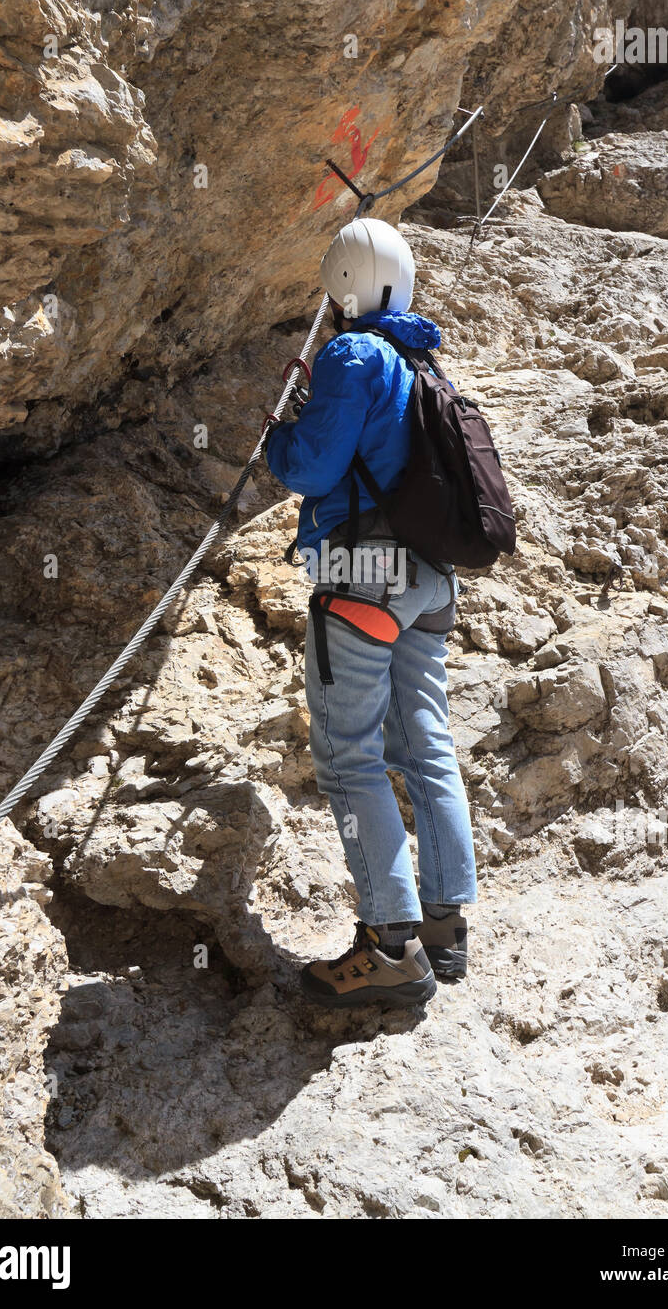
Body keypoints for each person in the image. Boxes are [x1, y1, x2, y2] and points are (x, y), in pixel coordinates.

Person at [265, 217, 476, 1009]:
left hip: (362, 573)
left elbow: (311, 466)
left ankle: (390, 947)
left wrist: (278, 436)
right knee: (427, 747)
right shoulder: (426, 362)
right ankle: (445, 927)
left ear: (341, 283)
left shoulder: (354, 353)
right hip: (430, 580)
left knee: (351, 759)